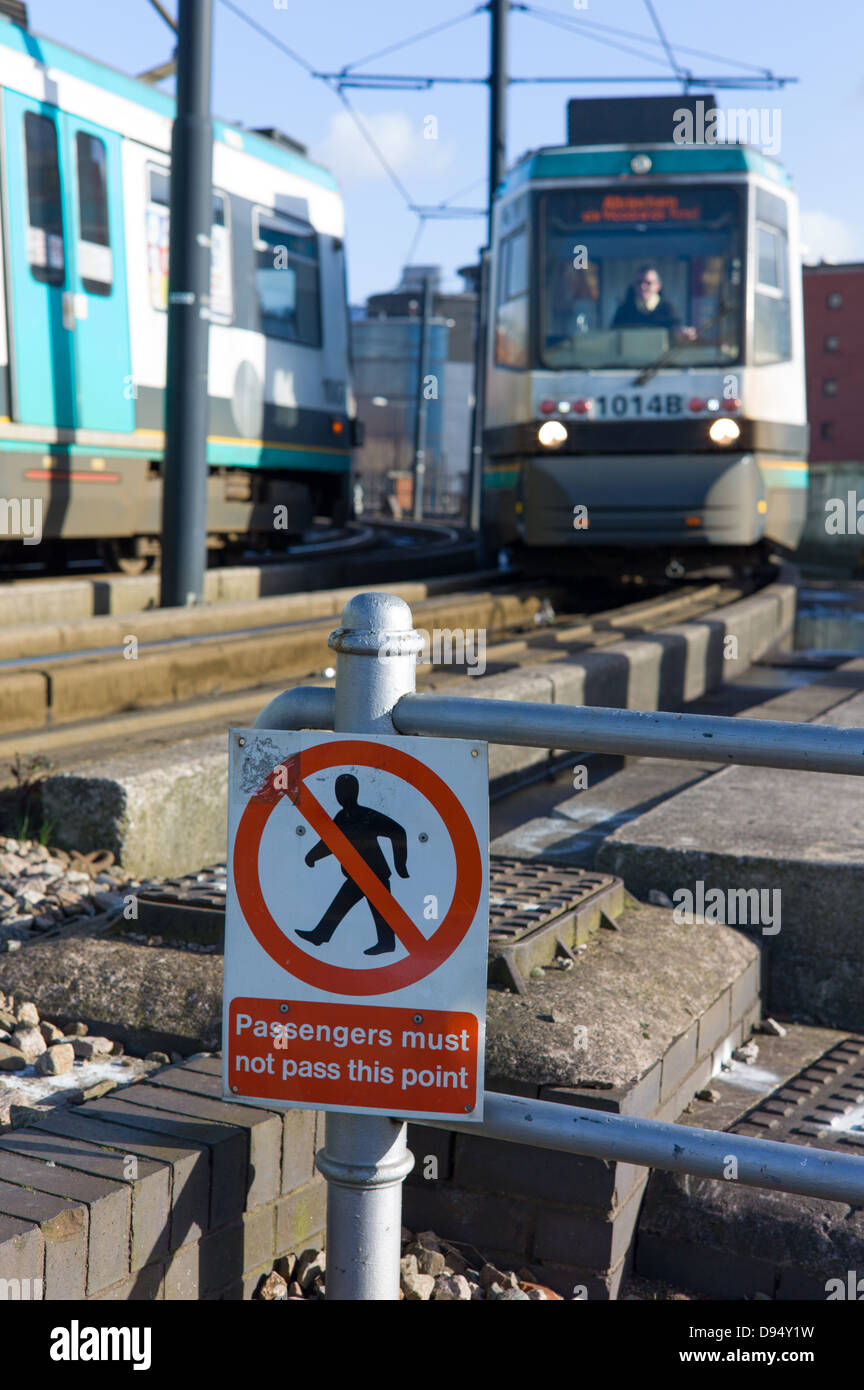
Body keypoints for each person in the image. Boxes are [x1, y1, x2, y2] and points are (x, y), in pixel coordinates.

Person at [295, 773, 408, 957]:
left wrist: (401, 866)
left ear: (354, 792)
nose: (340, 795)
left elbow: (398, 832)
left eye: (343, 791)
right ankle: (321, 934)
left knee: (380, 911)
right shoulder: (342, 817)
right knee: (347, 905)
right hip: (357, 874)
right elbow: (331, 842)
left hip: (375, 873)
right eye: (338, 790)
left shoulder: (366, 815)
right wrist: (312, 856)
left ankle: (386, 942)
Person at [611, 266, 696, 341]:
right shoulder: (624, 310)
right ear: (633, 285)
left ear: (658, 285)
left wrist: (683, 332)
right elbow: (613, 334)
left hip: (662, 358)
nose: (643, 287)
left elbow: (676, 327)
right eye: (639, 282)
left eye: (648, 283)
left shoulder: (667, 309)